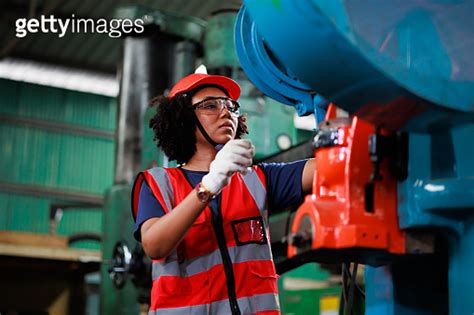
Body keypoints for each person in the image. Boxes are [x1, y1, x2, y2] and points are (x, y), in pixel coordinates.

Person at [131, 73, 315, 315]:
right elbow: (155, 246)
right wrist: (210, 185)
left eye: (231, 106)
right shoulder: (158, 183)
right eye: (210, 105)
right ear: (183, 118)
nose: (226, 112)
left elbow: (327, 167)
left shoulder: (257, 179)